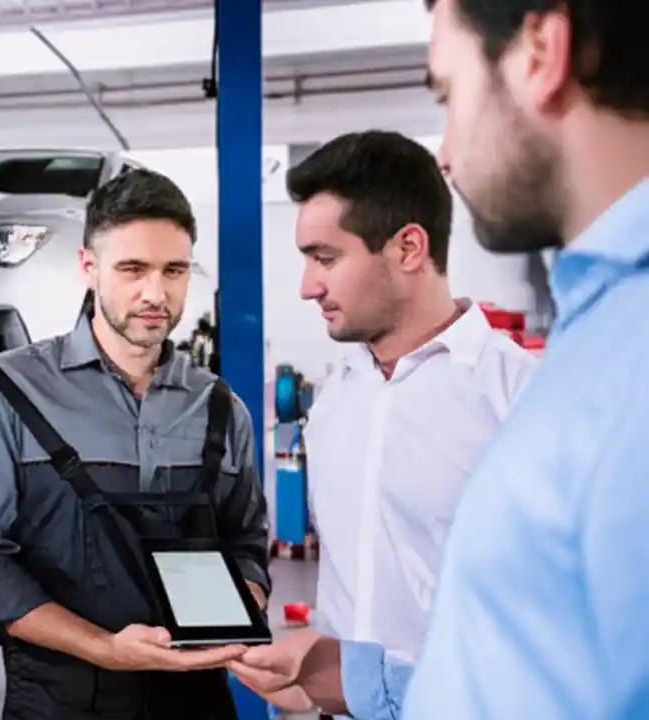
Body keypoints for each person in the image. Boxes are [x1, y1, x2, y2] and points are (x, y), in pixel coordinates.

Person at [225, 0, 649, 717]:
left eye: (449, 95)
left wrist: (370, 685)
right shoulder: (336, 403)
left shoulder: (532, 393)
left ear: (542, 52)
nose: (446, 152)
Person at [0, 168, 272, 719]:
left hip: (196, 702)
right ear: (88, 268)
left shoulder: (221, 409)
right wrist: (103, 649)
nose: (155, 293)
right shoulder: (4, 393)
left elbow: (247, 545)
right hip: (59, 702)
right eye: (132, 269)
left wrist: (237, 611)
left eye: (174, 270)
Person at [277, 129, 539, 715]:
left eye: (325, 258)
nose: (306, 286)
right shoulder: (336, 401)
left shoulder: (522, 400)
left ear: (409, 248)